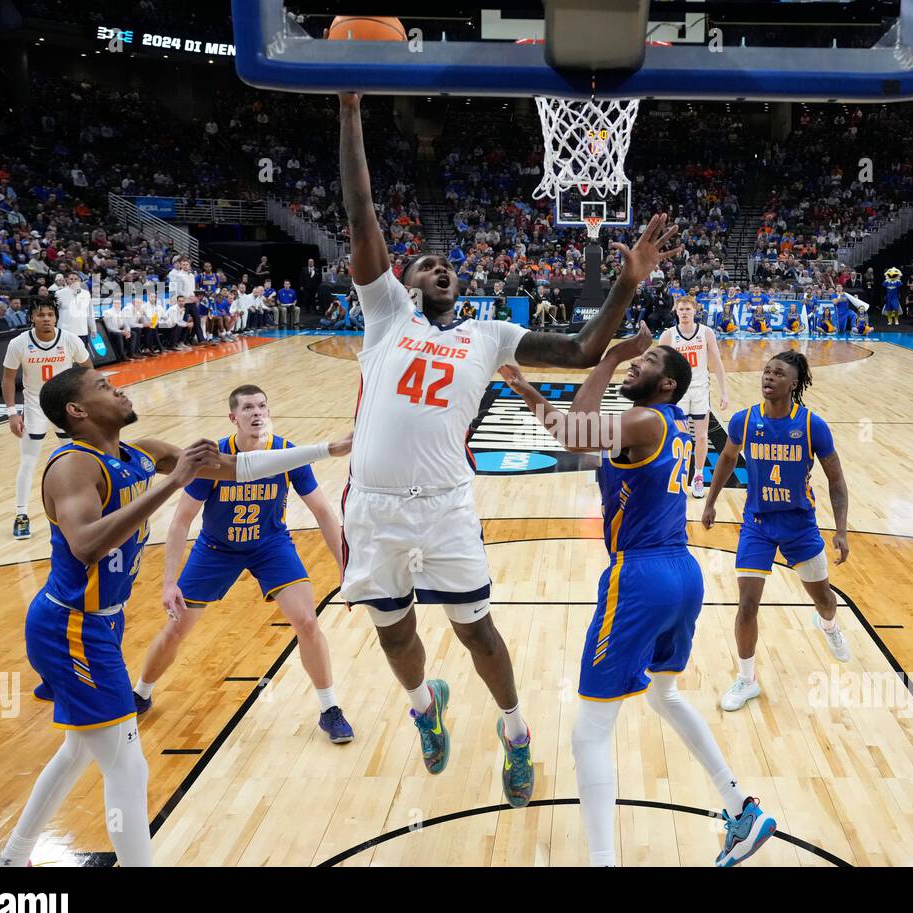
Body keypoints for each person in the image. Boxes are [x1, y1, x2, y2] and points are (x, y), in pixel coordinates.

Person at [337, 91, 679, 808]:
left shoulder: (488, 334)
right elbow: (361, 213)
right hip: (371, 506)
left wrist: (627, 280)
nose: (438, 269)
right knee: (396, 638)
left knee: (477, 632)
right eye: (424, 263)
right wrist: (350, 108)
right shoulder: (385, 316)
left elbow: (586, 348)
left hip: (445, 506)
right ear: (400, 280)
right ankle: (424, 709)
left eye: (446, 266)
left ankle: (516, 732)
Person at [0, 366, 352, 867]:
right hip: (71, 627)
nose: (117, 388)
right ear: (76, 411)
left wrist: (324, 451)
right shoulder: (71, 466)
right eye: (102, 388)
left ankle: (12, 858)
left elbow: (237, 469)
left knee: (79, 750)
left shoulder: (142, 452)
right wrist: (174, 483)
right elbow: (88, 544)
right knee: (128, 767)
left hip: (100, 621)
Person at [499, 329, 778, 867]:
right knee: (664, 695)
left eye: (646, 360)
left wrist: (606, 359)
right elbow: (568, 424)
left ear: (668, 383)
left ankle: (603, 861)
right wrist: (526, 390)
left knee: (589, 734)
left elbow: (574, 431)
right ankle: (740, 804)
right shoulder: (668, 426)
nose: (635, 364)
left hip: (640, 577)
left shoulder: (648, 419)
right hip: (682, 572)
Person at [132, 385, 354, 743]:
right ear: (233, 418)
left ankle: (329, 709)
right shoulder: (216, 457)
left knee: (307, 620)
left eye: (263, 406)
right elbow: (181, 520)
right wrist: (168, 581)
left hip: (270, 546)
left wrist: (347, 566)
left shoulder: (285, 453)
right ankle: (140, 693)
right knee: (176, 629)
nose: (257, 413)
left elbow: (324, 513)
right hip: (216, 549)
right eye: (248, 407)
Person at [701, 351, 853, 713]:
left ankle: (829, 626)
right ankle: (747, 679)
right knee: (747, 605)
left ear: (793, 383)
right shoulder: (744, 420)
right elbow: (725, 459)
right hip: (757, 524)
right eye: (766, 371)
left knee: (825, 600)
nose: (768, 377)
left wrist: (842, 530)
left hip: (800, 526)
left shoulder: (813, 425)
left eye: (778, 373)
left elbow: (836, 480)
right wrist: (711, 500)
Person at [1, 301, 93, 540]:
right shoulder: (18, 343)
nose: (46, 318)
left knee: (76, 462)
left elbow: (88, 369)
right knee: (28, 462)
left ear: (56, 317)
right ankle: (21, 515)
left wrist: (86, 401)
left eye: (50, 314)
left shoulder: (70, 339)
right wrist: (12, 412)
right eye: (40, 314)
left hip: (65, 408)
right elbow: (8, 379)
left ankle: (81, 512)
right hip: (35, 408)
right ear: (32, 317)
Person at [658, 295, 728, 498]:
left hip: (700, 389)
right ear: (676, 311)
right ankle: (676, 475)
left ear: (695, 311)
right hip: (678, 392)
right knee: (676, 437)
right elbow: (659, 366)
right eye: (681, 309)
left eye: (688, 309)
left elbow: (717, 362)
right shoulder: (668, 335)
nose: (685, 313)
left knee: (701, 436)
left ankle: (698, 476)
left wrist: (724, 391)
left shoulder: (706, 333)